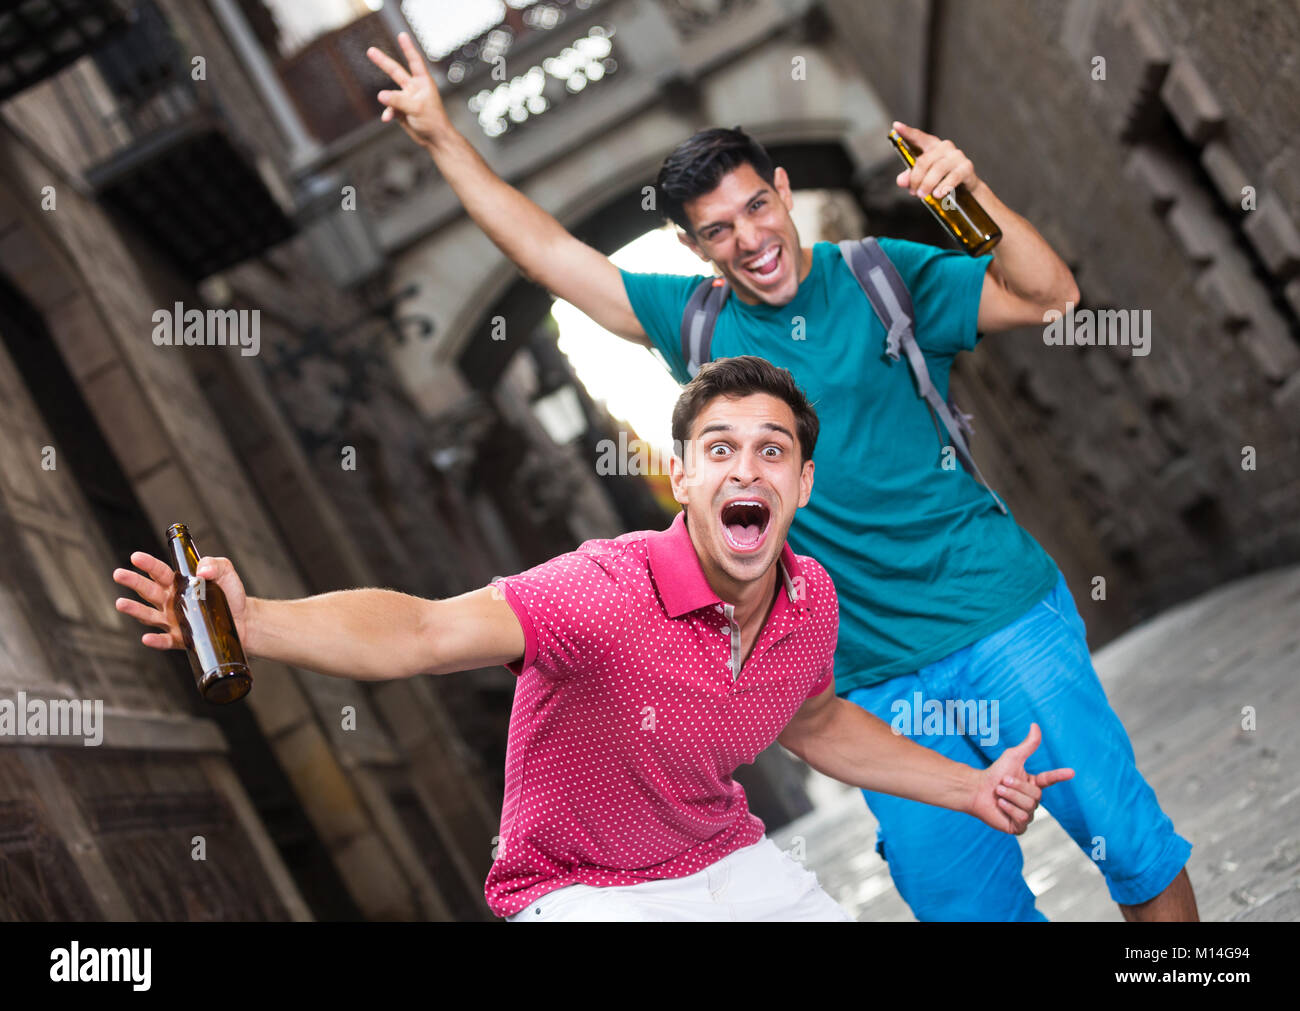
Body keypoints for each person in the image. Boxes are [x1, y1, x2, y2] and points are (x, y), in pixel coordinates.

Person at [363, 34, 1198, 922]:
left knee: (1130, 846)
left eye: (758, 206)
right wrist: (443, 140)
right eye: (718, 229)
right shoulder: (691, 323)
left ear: (785, 193)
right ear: (693, 245)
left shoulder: (883, 276)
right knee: (966, 909)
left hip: (999, 616)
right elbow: (550, 256)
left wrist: (974, 194)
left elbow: (1050, 296)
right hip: (871, 684)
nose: (751, 237)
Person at [112, 356, 1072, 921]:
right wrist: (263, 620)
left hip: (725, 864)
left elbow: (816, 724)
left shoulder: (811, 599)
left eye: (772, 449)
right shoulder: (600, 589)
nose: (749, 467)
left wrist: (968, 785)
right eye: (720, 449)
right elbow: (423, 628)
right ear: (685, 481)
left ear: (802, 486)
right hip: (581, 893)